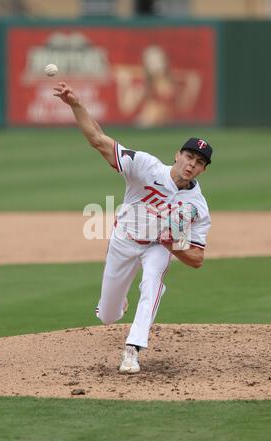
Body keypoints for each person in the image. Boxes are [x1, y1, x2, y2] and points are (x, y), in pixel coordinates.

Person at [54, 82, 212, 374]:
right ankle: (114, 304)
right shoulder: (146, 167)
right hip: (124, 241)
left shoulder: (198, 207)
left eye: (199, 162)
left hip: (157, 248)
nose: (192, 164)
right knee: (108, 316)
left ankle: (132, 350)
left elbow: (198, 259)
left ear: (203, 170)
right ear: (178, 155)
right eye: (189, 156)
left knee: (153, 282)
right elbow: (99, 140)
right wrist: (75, 104)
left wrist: (170, 242)